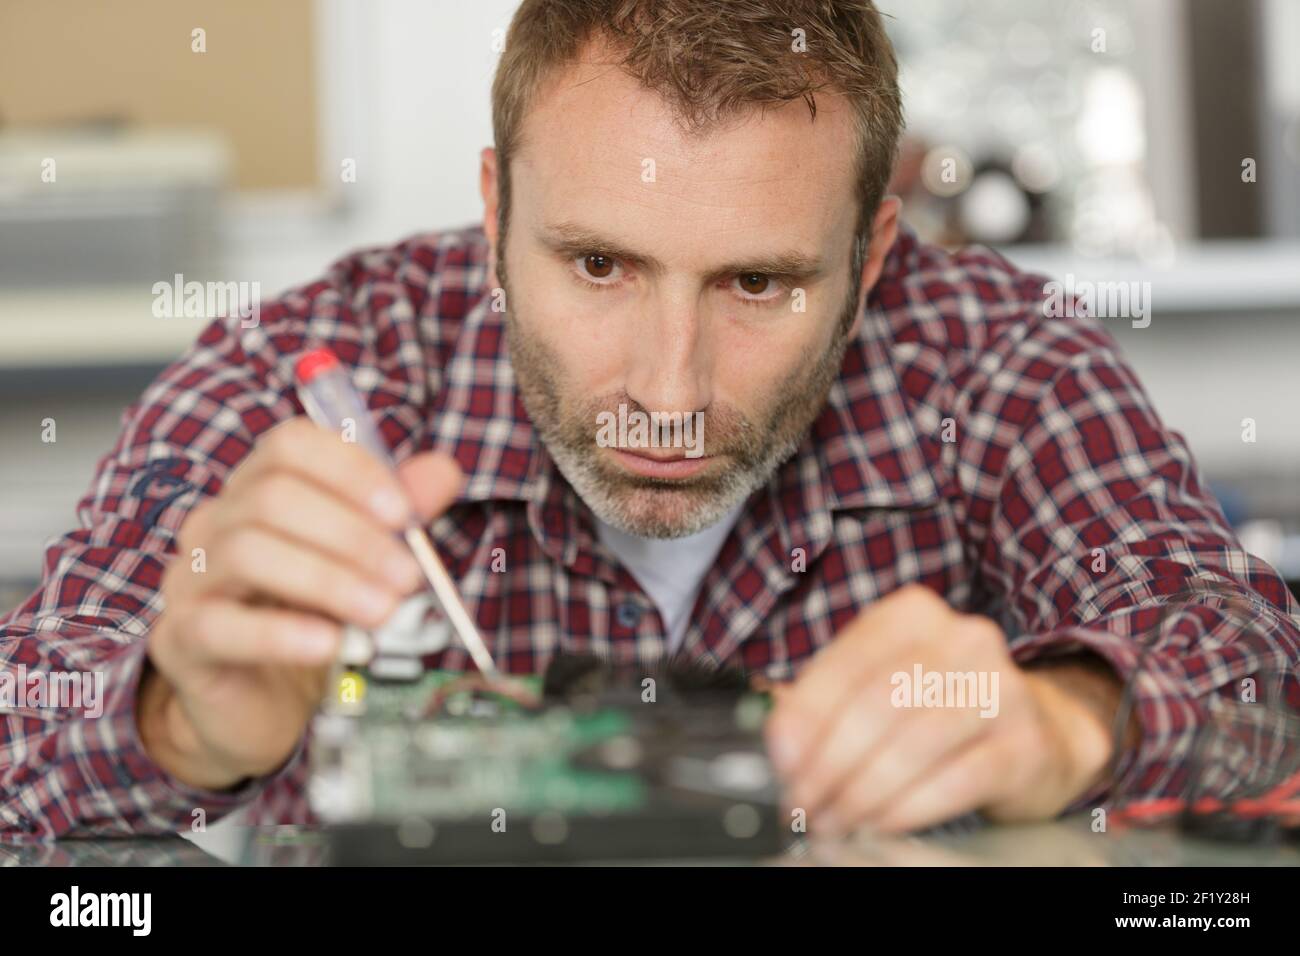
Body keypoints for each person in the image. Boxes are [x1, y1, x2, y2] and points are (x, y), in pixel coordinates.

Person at [2, 0, 1297, 841]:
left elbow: (1250, 659)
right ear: (495, 209)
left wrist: (1066, 717)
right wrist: (172, 716)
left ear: (874, 251)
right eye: (600, 268)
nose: (669, 397)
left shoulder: (997, 353)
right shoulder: (309, 365)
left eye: (760, 283)